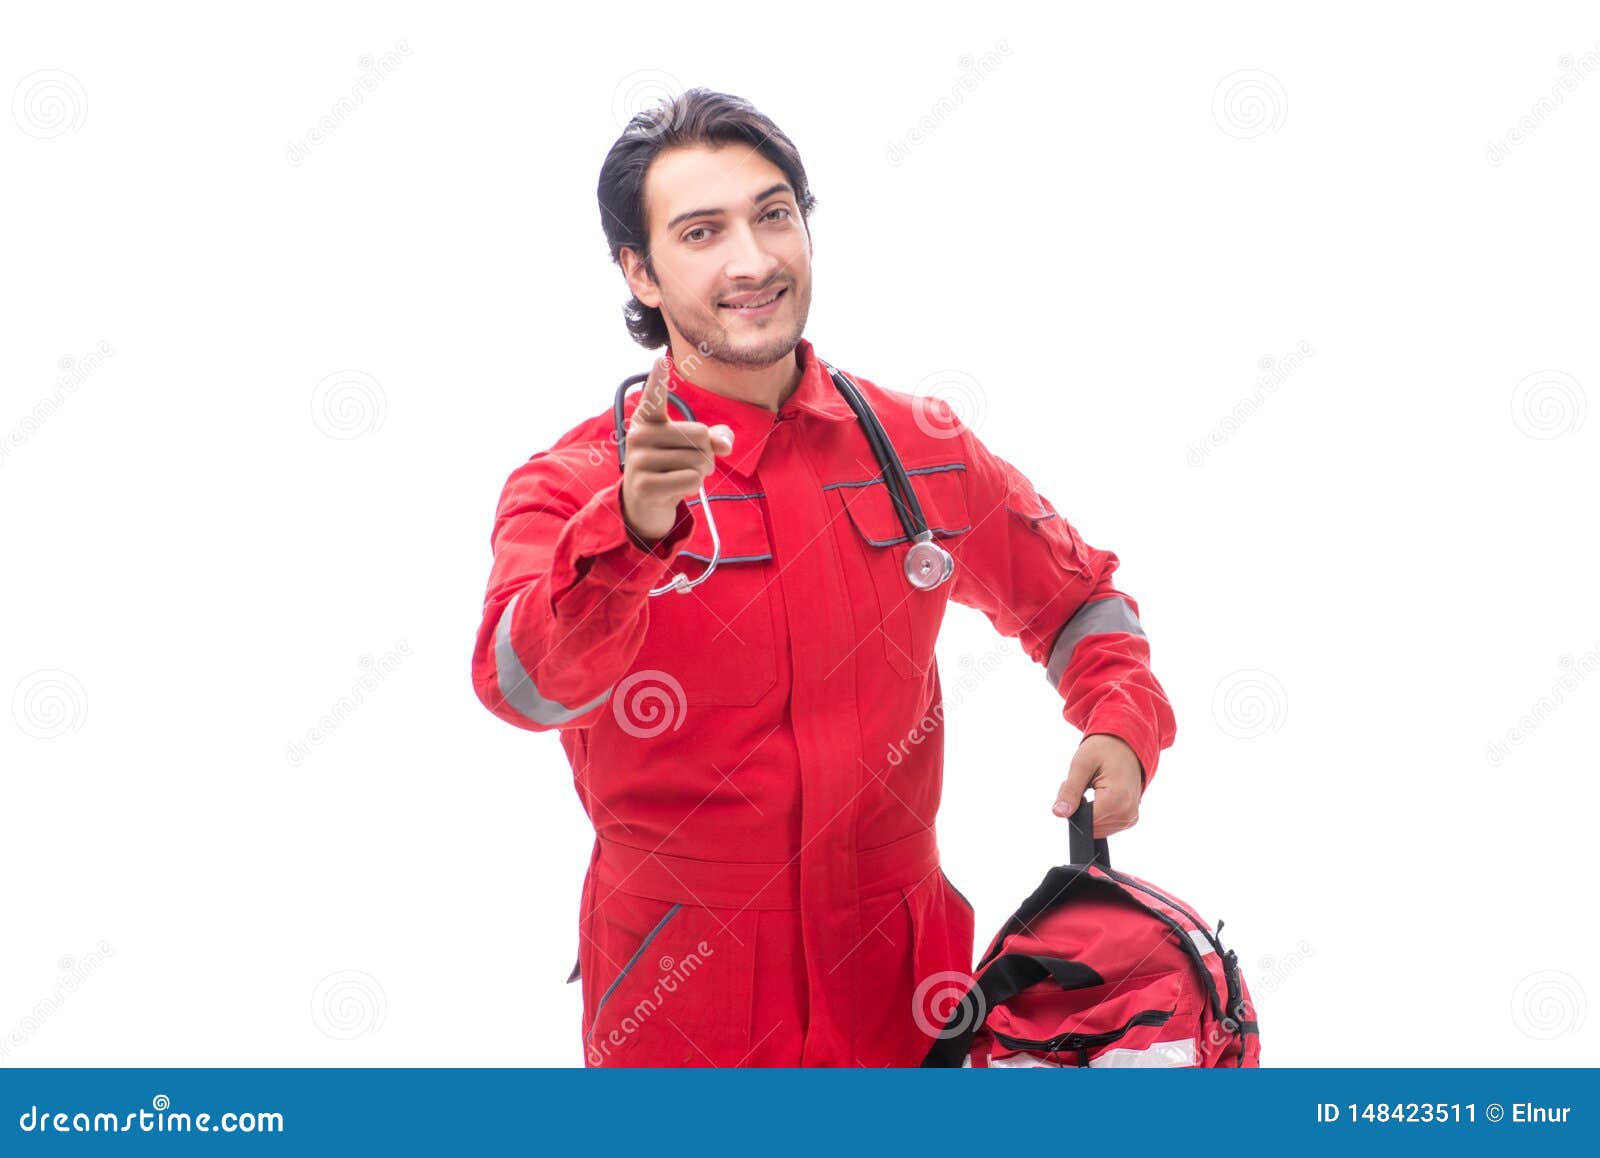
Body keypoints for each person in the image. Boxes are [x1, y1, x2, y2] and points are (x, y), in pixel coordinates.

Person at [470, 88, 1176, 1067]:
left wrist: (1119, 719)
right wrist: (631, 533)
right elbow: (522, 688)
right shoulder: (576, 485)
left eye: (773, 215)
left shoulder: (919, 445)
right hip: (683, 999)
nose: (752, 261)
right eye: (701, 232)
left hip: (903, 982)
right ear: (638, 271)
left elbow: (1075, 598)